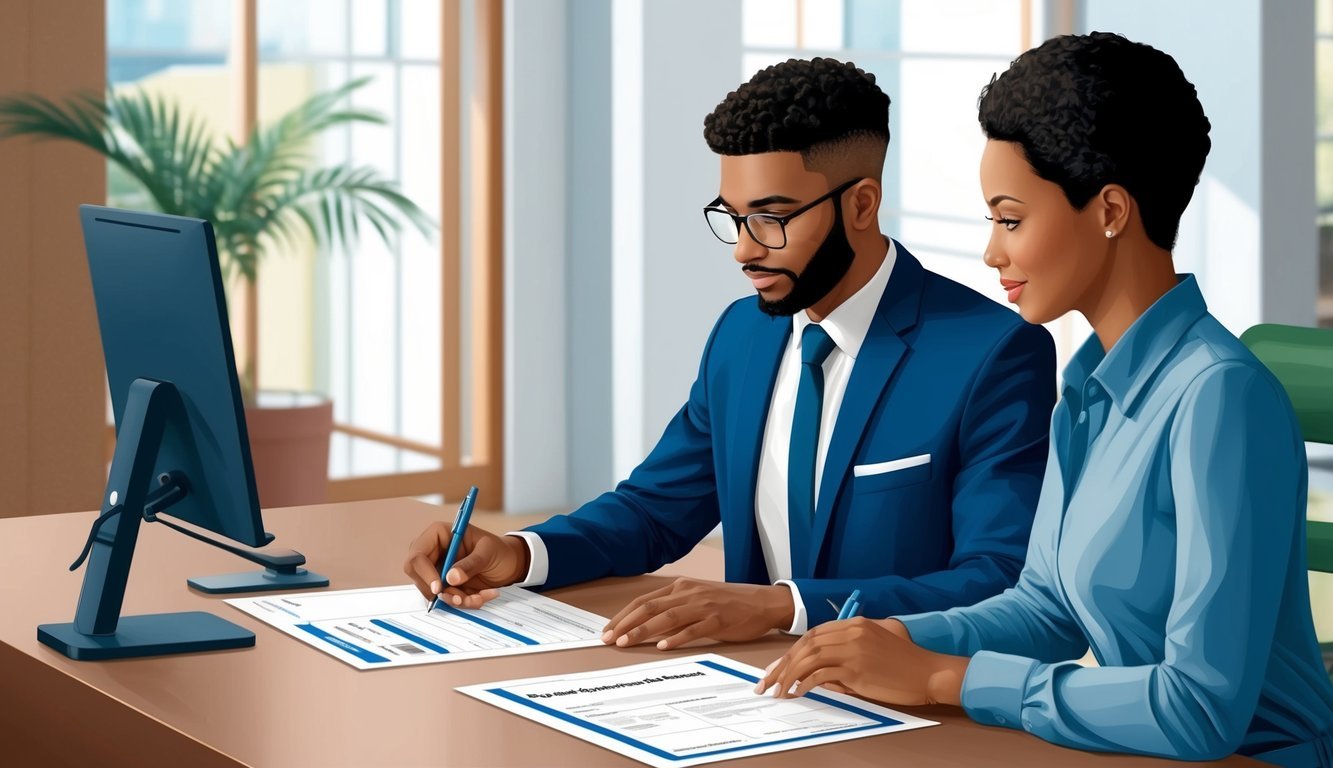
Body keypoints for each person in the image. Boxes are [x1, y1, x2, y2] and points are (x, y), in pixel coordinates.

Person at [758, 33, 1333, 765]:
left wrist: (946, 678)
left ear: (1110, 211)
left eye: (1009, 218)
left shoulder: (1220, 399)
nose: (992, 252)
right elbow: (1048, 608)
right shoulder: (1086, 392)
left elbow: (1198, 708)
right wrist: (900, 639)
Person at [404, 58, 1055, 649]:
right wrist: (520, 554)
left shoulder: (991, 353)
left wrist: (784, 607)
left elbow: (998, 578)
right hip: (741, 692)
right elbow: (654, 509)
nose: (744, 250)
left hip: (899, 700)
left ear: (860, 204)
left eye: (771, 219)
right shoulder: (742, 336)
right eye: (732, 217)